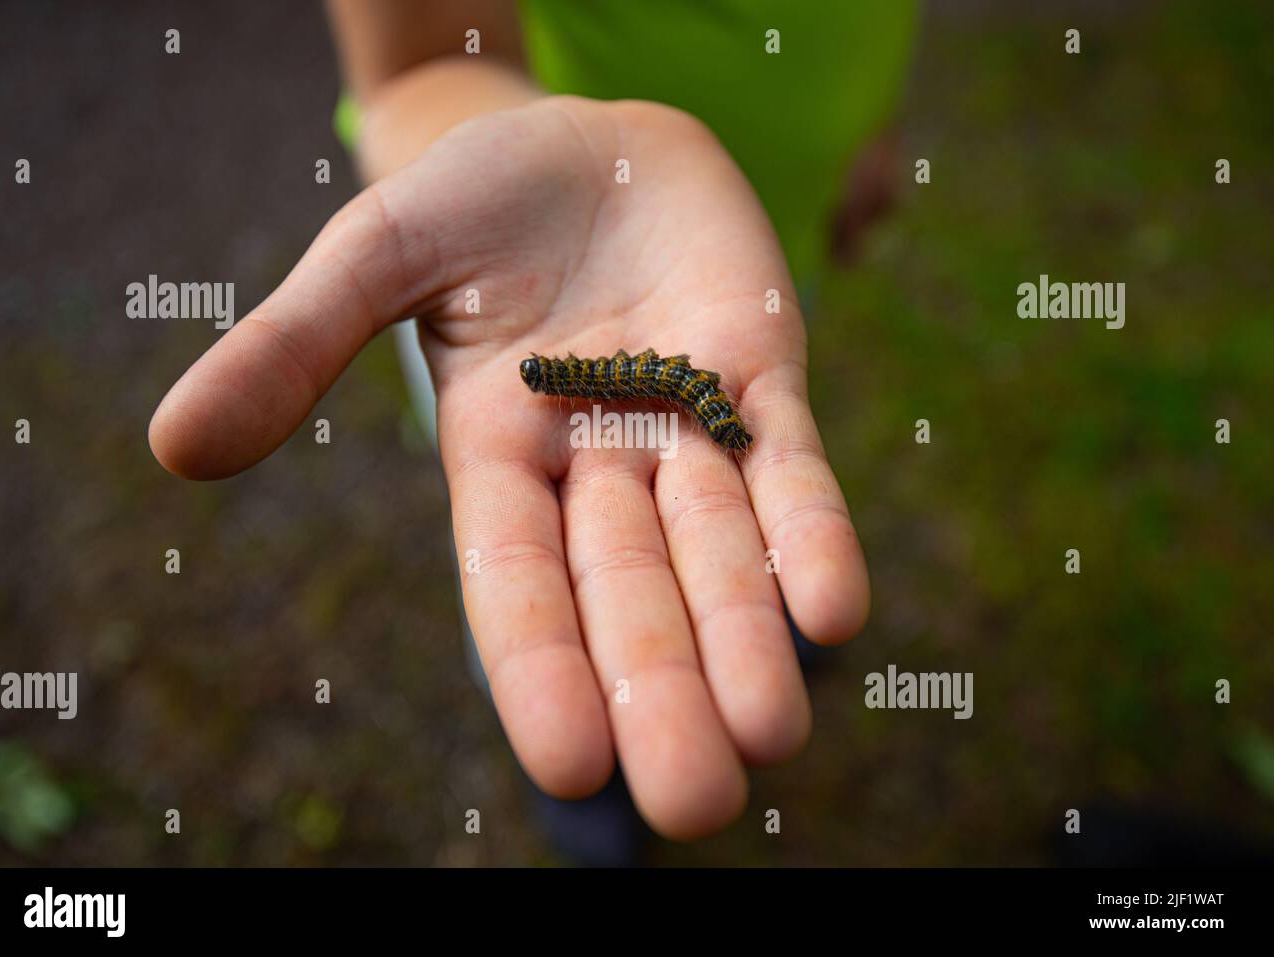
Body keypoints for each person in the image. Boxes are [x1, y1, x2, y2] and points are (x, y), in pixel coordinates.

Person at [146, 1, 918, 855]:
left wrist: (865, 122)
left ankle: (754, 623)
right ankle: (582, 763)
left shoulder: (719, 362)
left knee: (748, 523)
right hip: (534, 274)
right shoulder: (560, 367)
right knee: (549, 573)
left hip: (744, 284)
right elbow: (418, 64)